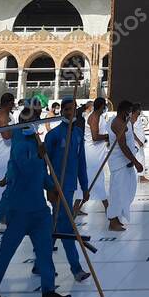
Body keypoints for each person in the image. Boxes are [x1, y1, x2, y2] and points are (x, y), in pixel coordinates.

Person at [0, 100, 70, 297]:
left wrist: (52, 186)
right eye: (35, 117)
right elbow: (25, 169)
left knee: (45, 251)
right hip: (20, 208)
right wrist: (38, 156)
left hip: (38, 209)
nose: (38, 120)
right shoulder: (21, 141)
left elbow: (40, 173)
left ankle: (48, 291)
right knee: (7, 250)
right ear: (25, 119)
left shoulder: (34, 140)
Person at [45, 97, 90, 282]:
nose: (70, 112)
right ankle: (76, 268)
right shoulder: (53, 135)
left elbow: (81, 162)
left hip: (70, 186)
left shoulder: (78, 133)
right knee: (67, 227)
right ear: (62, 110)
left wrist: (85, 186)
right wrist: (48, 186)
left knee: (57, 225)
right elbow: (43, 162)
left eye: (73, 109)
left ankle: (40, 263)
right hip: (57, 187)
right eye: (67, 109)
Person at [107, 100, 142, 231]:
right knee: (117, 192)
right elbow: (122, 146)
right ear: (123, 111)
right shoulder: (117, 123)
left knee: (127, 190)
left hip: (126, 162)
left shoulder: (125, 121)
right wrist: (136, 162)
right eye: (129, 111)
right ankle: (112, 221)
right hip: (119, 163)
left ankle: (117, 218)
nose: (130, 114)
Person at [84, 97, 110, 209]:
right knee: (95, 178)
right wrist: (108, 137)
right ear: (102, 106)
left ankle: (75, 209)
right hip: (92, 154)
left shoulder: (99, 116)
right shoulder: (94, 117)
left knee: (96, 178)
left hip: (97, 153)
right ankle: (108, 210)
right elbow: (95, 137)